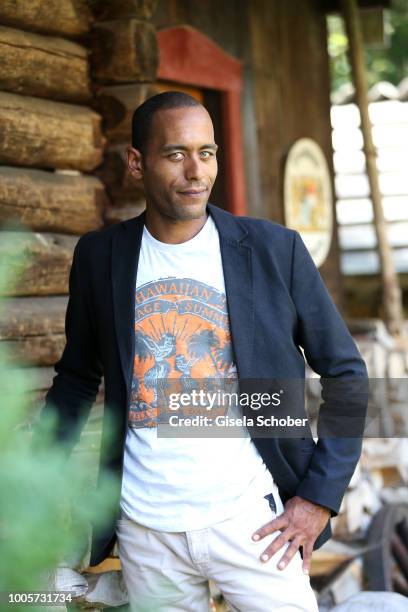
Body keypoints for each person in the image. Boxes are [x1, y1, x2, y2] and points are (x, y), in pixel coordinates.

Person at [33, 91, 368, 611]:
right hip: (146, 529)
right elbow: (77, 379)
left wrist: (319, 498)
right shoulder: (101, 256)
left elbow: (346, 373)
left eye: (206, 153)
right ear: (137, 163)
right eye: (175, 154)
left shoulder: (274, 250)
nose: (196, 172)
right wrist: (34, 479)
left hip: (256, 521)